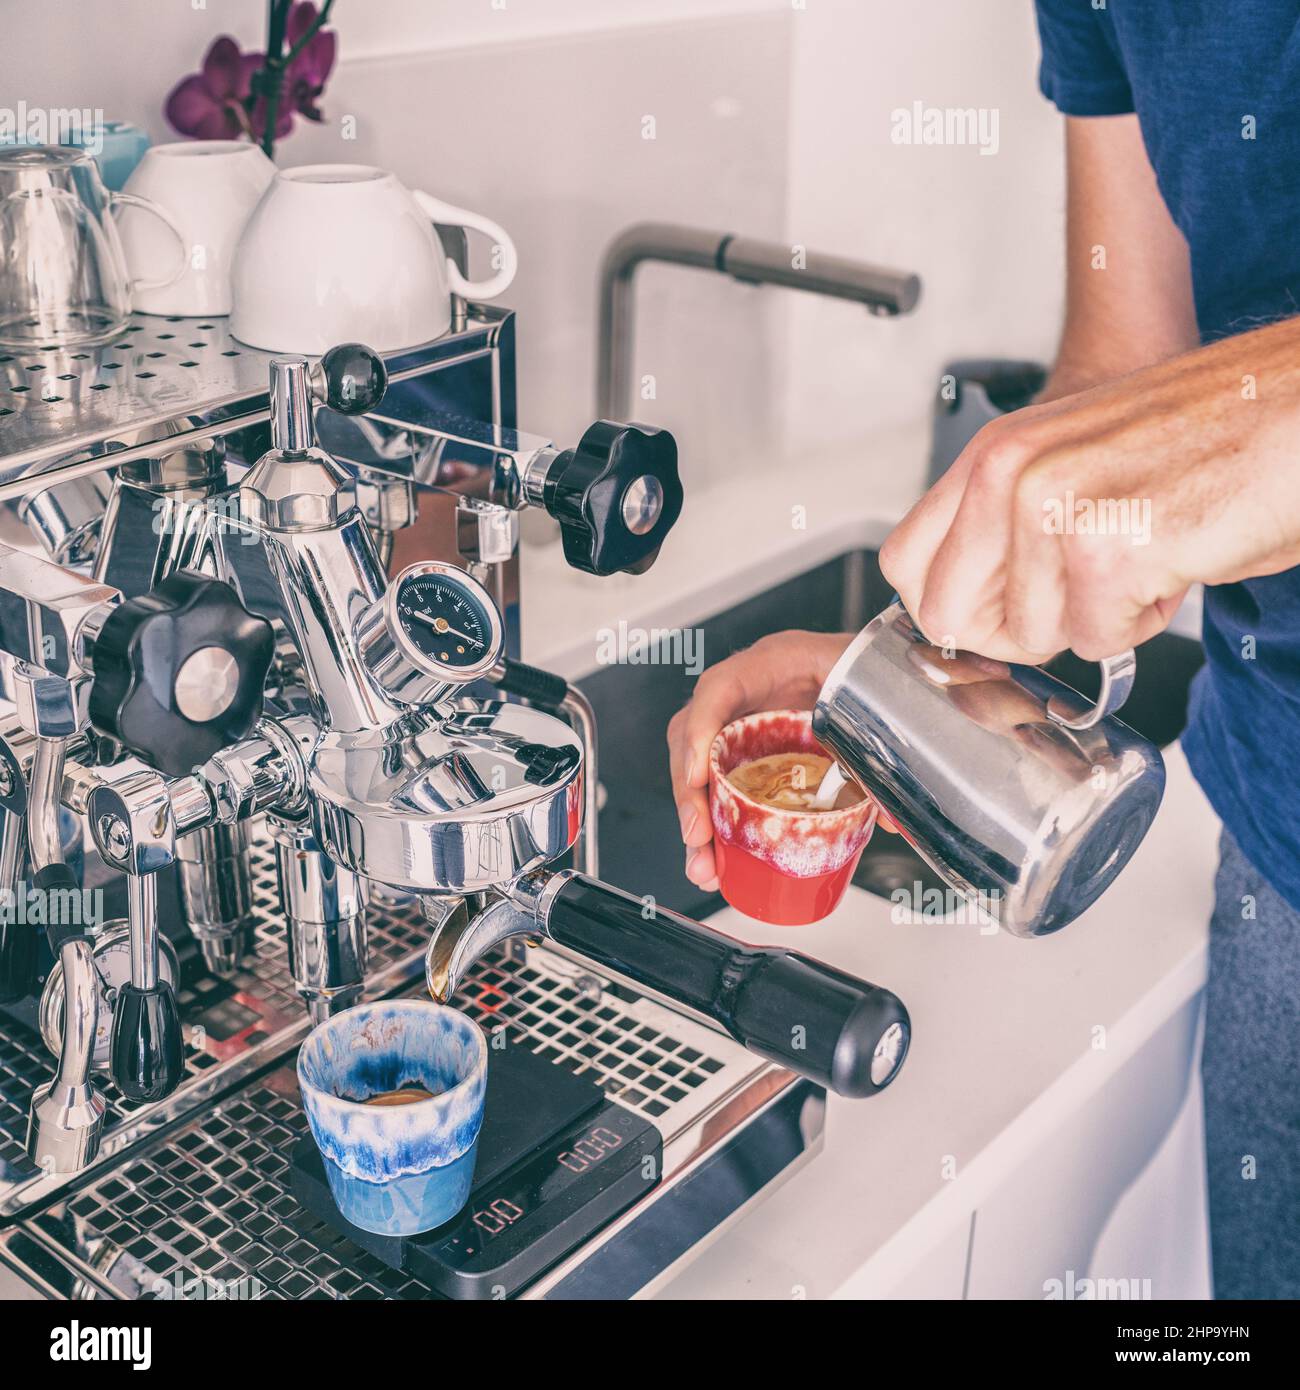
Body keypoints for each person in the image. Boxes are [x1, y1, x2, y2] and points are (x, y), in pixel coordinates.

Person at [668, 0, 1300, 1300]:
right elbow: (1130, 367)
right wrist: (895, 676)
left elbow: (1213, 420)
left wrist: (1262, 405)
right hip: (1280, 833)